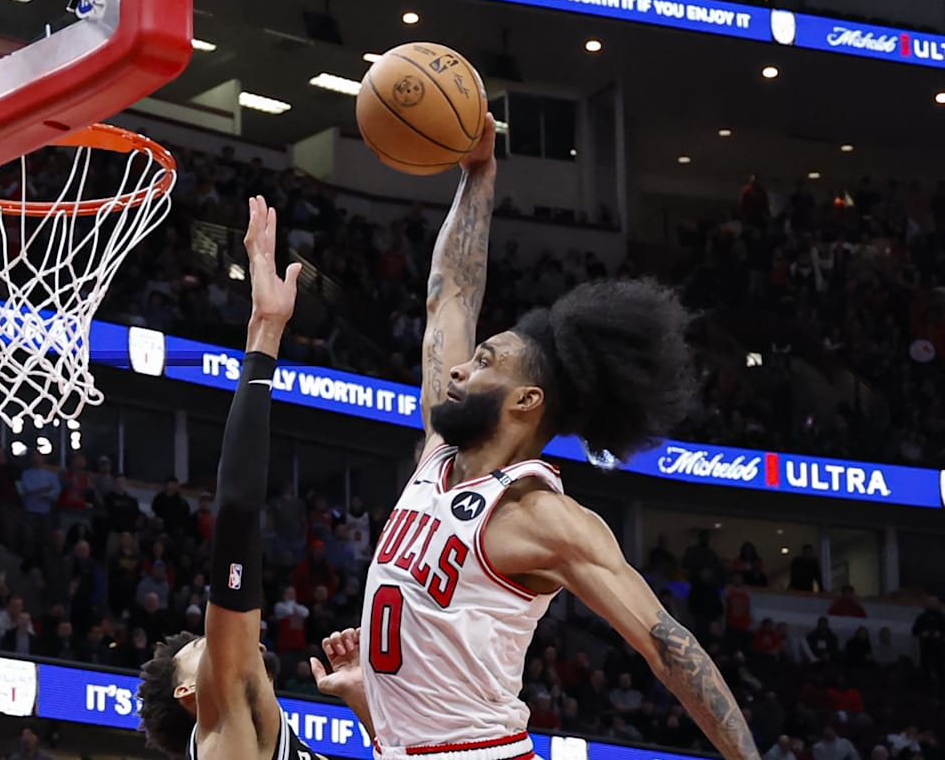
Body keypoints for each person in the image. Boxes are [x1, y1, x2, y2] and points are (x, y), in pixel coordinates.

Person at [359, 116, 758, 760]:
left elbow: (667, 645)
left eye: (484, 362)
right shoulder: (439, 453)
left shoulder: (544, 516)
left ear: (526, 401)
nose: (460, 368)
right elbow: (451, 298)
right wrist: (479, 175)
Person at [136, 197, 371, 759]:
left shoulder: (270, 741)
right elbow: (238, 511)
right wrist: (263, 336)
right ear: (193, 695)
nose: (218, 633)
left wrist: (368, 708)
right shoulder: (225, 729)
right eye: (204, 640)